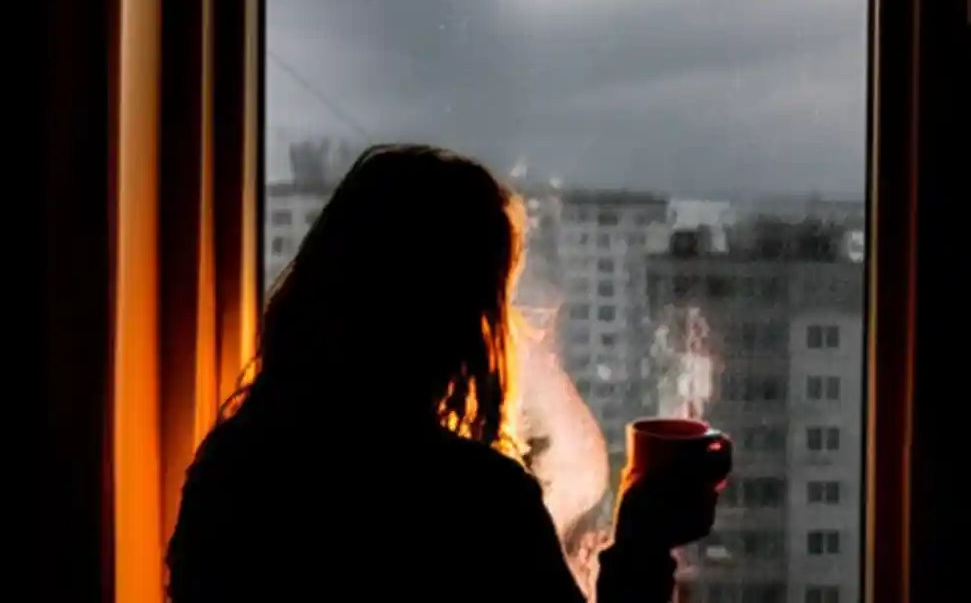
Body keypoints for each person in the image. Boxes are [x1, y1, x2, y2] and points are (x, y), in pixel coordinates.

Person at [167, 145, 720, 602]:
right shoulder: (477, 506)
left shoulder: (232, 469)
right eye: (497, 300)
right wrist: (644, 542)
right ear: (462, 323)